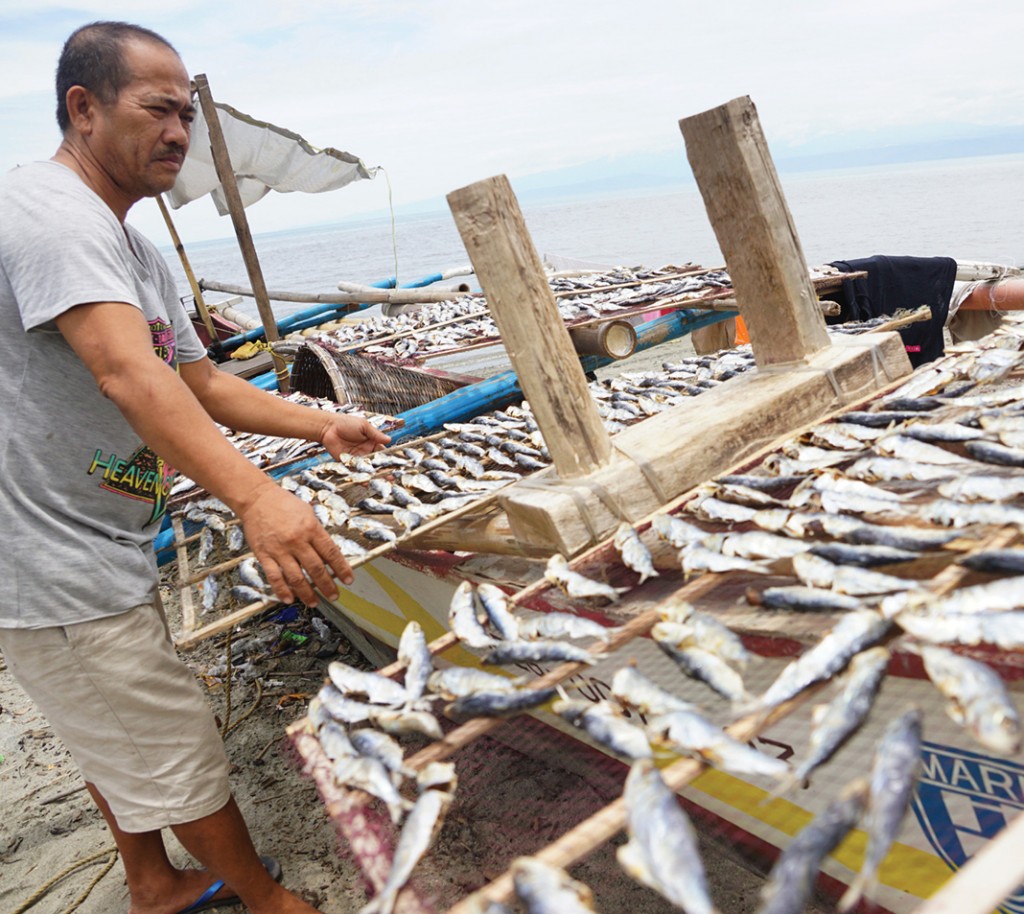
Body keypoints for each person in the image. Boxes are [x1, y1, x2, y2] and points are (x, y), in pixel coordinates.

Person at [0, 21, 390, 914]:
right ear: (83, 108)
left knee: (106, 723)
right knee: (164, 728)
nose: (179, 131)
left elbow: (199, 380)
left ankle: (151, 881)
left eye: (187, 113)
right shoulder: (49, 213)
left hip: (96, 519)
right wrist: (256, 496)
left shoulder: (133, 243)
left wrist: (318, 425)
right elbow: (125, 372)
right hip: (44, 551)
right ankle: (262, 897)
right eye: (157, 109)